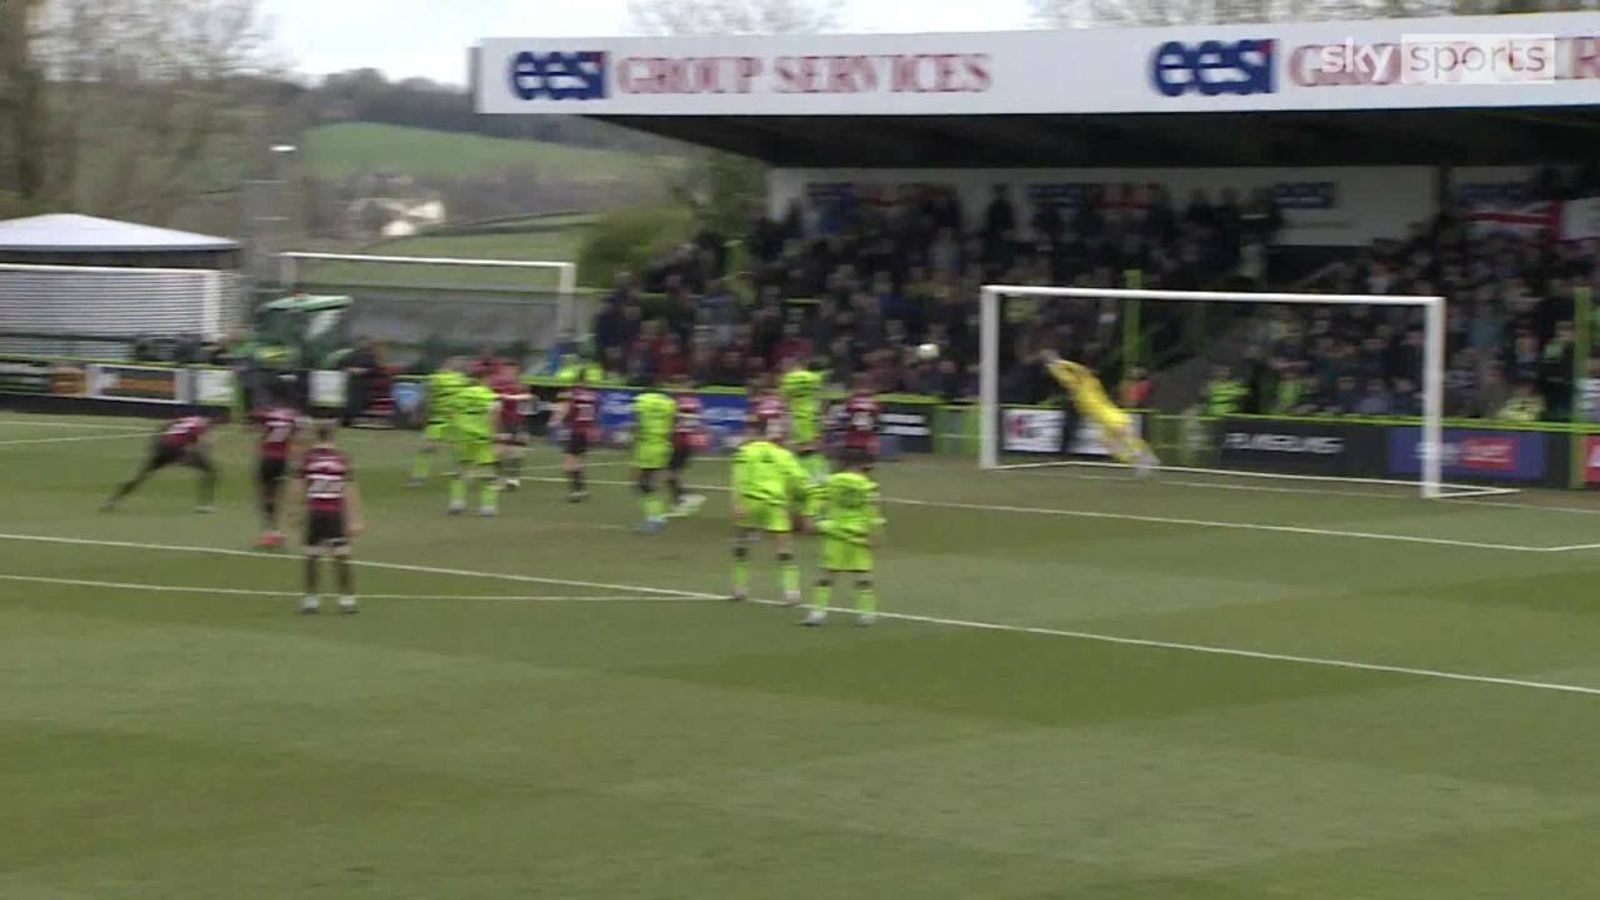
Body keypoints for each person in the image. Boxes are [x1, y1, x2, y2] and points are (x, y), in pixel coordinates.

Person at [730, 416, 812, 605]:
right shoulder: (784, 455)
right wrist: (804, 503)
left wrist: (738, 504)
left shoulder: (745, 452)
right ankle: (792, 592)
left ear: (756, 432)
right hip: (776, 505)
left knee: (742, 546)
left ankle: (739, 589)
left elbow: (739, 480)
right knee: (784, 549)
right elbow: (800, 480)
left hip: (750, 502)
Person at [1042, 352, 1160, 475]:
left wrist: (1058, 362)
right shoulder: (1080, 387)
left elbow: (1076, 371)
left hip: (1109, 415)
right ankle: (1140, 460)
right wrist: (1053, 365)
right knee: (1113, 446)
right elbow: (1064, 377)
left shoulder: (1086, 383)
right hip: (1104, 419)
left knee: (1125, 437)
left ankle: (1145, 456)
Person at [802, 453, 884, 627]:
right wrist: (875, 534)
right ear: (859, 466)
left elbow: (816, 496)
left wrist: (810, 517)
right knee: (863, 574)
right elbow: (873, 512)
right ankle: (866, 614)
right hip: (859, 534)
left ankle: (817, 613)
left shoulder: (831, 481)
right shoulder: (869, 486)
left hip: (835, 532)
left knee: (827, 574)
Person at [296, 421, 362, 614]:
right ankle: (347, 600)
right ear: (333, 436)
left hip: (315, 512)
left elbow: (299, 487)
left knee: (312, 555)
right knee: (341, 554)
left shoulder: (308, 458)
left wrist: (297, 511)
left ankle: (311, 601)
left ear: (317, 436)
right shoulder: (342, 459)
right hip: (334, 513)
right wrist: (355, 518)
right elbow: (350, 490)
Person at [102, 413, 218, 513]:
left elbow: (162, 427)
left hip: (161, 447)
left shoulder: (186, 420)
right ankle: (204, 505)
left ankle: (112, 501)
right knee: (209, 471)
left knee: (141, 476)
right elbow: (204, 444)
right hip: (175, 449)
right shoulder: (202, 425)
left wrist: (154, 445)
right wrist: (199, 456)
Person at [253, 382, 306, 548]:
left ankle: (270, 531)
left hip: (267, 457)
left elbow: (258, 430)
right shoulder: (293, 416)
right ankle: (277, 531)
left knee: (265, 493)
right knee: (278, 493)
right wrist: (298, 460)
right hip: (283, 459)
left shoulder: (267, 413)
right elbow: (299, 439)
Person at [449, 370, 500, 516]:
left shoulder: (459, 395)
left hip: (462, 436)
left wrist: (455, 432)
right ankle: (487, 507)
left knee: (461, 469)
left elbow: (452, 414)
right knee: (488, 471)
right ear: (484, 379)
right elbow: (493, 415)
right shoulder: (488, 395)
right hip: (482, 437)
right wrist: (494, 434)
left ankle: (456, 503)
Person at [411, 360, 469, 487]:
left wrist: (418, 413)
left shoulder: (435, 379)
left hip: (438, 420)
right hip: (456, 419)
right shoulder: (463, 380)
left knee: (426, 448)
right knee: (459, 448)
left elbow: (425, 398)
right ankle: (461, 474)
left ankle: (418, 478)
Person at [632, 378, 677, 533]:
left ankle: (656, 518)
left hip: (647, 446)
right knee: (651, 481)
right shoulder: (669, 403)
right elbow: (673, 424)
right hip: (663, 445)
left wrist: (633, 442)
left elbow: (638, 425)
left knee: (644, 483)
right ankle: (657, 516)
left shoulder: (642, 401)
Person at [552, 374, 600, 502]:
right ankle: (582, 490)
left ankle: (576, 491)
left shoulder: (573, 395)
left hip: (577, 431)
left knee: (569, 465)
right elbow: (595, 412)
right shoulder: (593, 397)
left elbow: (565, 410)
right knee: (578, 462)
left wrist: (557, 420)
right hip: (586, 432)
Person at [780, 356, 827, 482]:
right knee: (813, 448)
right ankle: (819, 476)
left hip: (797, 417)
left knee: (800, 449)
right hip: (812, 415)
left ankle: (804, 477)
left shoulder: (789, 379)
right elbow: (820, 398)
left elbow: (784, 400)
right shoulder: (814, 378)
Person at [666, 379, 708, 518]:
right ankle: (681, 498)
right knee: (673, 472)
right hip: (688, 441)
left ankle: (684, 498)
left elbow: (673, 419)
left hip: (680, 440)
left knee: (671, 473)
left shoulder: (680, 402)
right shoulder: (697, 402)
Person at [490, 361, 531, 490]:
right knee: (498, 452)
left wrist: (507, 397)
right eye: (507, 370)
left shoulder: (522, 387)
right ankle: (500, 480)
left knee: (515, 452)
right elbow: (492, 400)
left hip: (519, 423)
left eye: (513, 371)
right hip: (503, 422)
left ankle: (513, 479)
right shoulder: (498, 386)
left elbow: (527, 399)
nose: (510, 373)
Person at [837, 374, 882, 470]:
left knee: (845, 466)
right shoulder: (874, 402)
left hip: (853, 440)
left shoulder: (851, 401)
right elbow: (877, 421)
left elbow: (844, 419)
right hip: (865, 441)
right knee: (864, 467)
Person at [749, 373, 788, 444]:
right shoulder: (757, 397)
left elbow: (784, 407)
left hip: (775, 419)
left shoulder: (781, 395)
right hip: (762, 420)